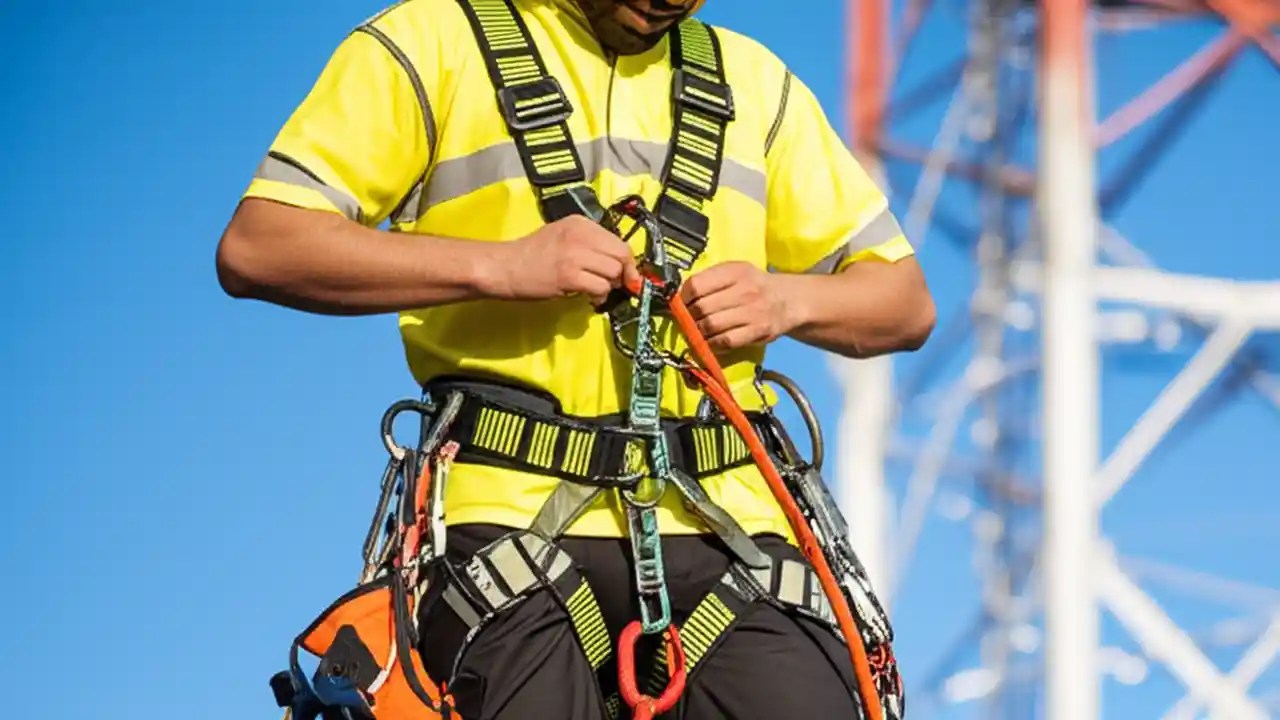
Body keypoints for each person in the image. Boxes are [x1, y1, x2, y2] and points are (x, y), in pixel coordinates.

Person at [216, 0, 935, 718]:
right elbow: (262, 245)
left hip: (732, 532)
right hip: (503, 521)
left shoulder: (755, 83)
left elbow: (903, 302)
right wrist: (500, 269)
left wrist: (785, 302)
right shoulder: (429, 42)